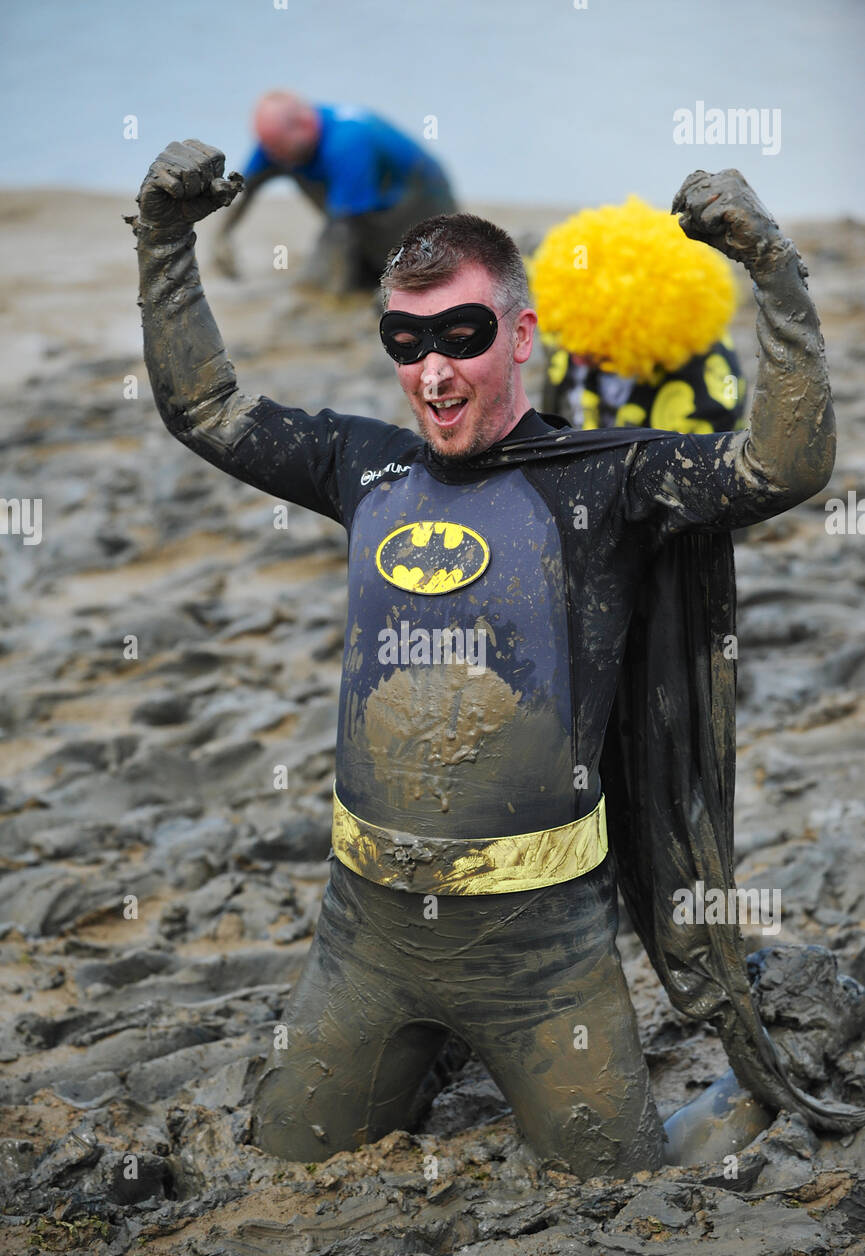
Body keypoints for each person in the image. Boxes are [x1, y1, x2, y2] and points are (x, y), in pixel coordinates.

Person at [127, 140, 865, 1179]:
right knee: (286, 1158)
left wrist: (775, 271)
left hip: (545, 956)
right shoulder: (362, 465)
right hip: (366, 938)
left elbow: (783, 464)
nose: (431, 370)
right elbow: (205, 409)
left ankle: (741, 1084)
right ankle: (415, 1059)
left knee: (620, 1178)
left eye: (462, 335)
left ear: (520, 334)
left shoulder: (606, 480)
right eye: (405, 338)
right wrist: (164, 243)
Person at [531, 195, 747, 433]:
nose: (577, 357)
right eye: (565, 335)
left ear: (646, 338)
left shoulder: (705, 403)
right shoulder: (574, 333)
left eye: (600, 353)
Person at [212, 91, 457, 291]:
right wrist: (222, 236)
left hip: (420, 198)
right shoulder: (276, 143)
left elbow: (341, 227)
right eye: (269, 149)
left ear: (306, 124)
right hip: (366, 203)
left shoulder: (347, 143)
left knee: (416, 275)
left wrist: (314, 287)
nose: (273, 157)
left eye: (278, 149)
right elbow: (245, 187)